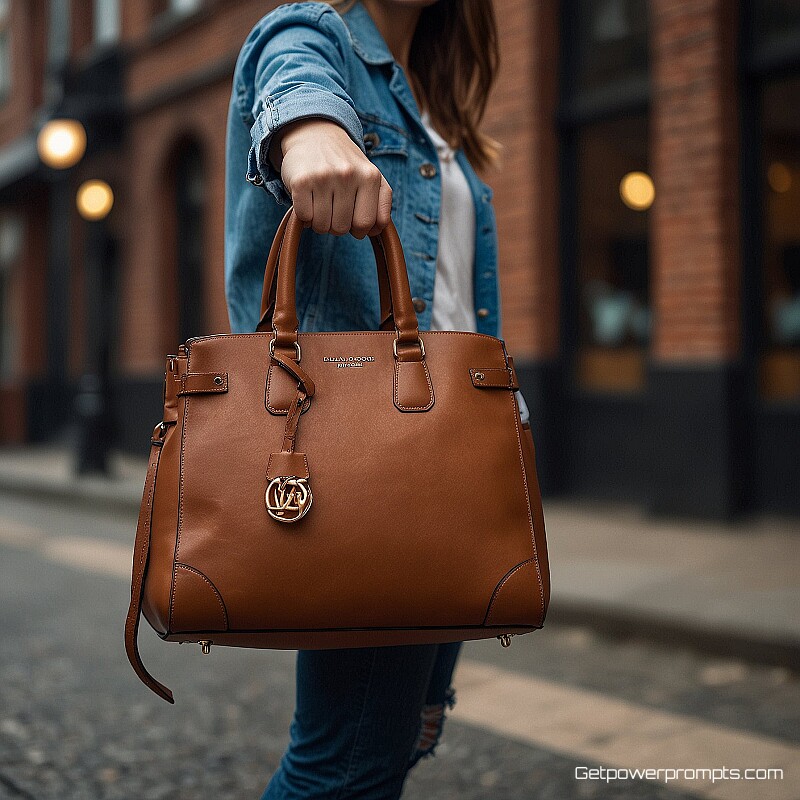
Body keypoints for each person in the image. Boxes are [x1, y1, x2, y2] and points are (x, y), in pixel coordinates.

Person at [224, 1, 525, 796]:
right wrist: (314, 133)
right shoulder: (312, 34)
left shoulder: (429, 104)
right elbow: (292, 75)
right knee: (346, 762)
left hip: (453, 455)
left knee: (402, 736)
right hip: (372, 469)